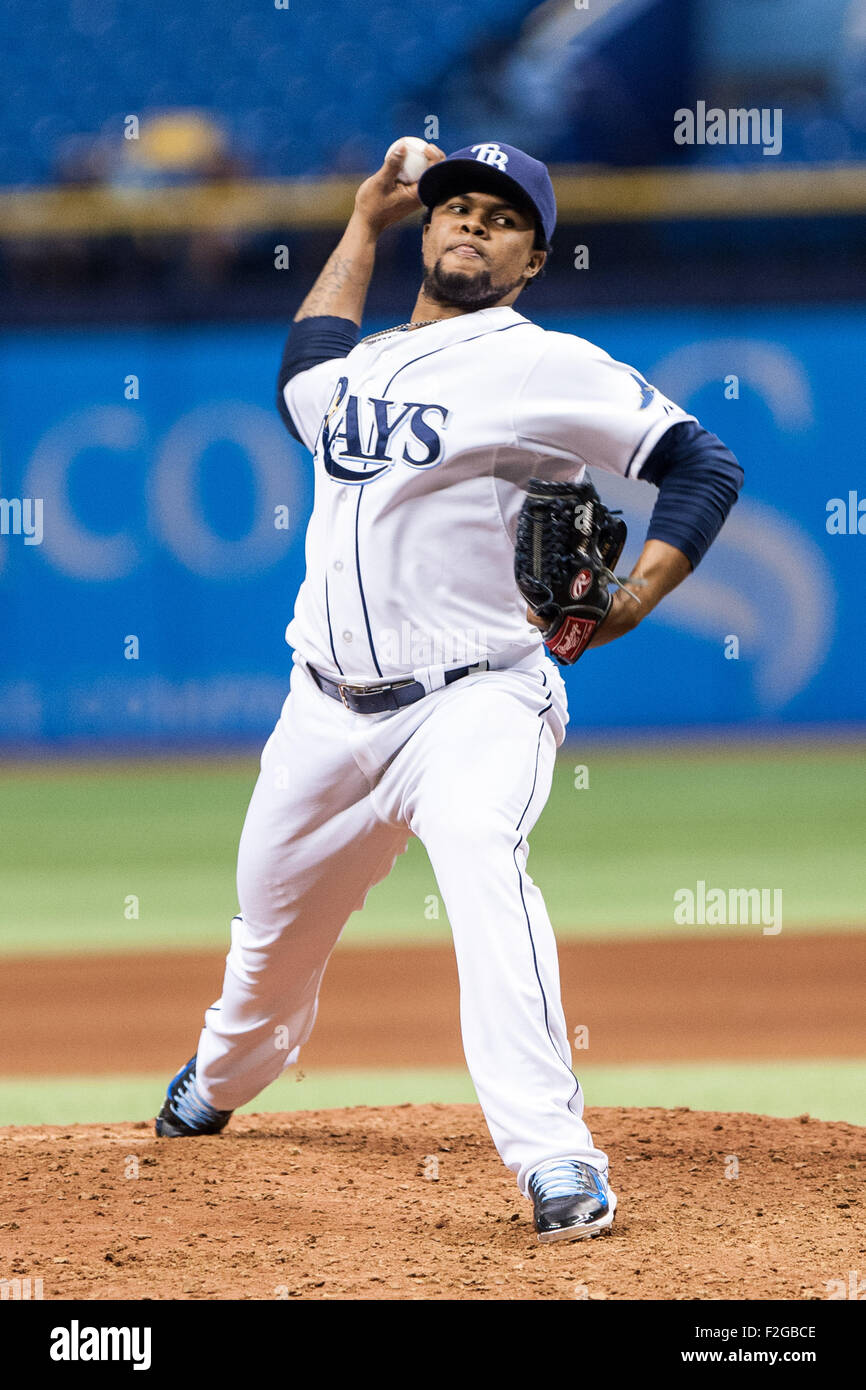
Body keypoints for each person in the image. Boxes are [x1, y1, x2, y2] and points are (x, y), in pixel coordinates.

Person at [155, 140, 743, 1243]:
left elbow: (700, 465)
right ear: (429, 233)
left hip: (474, 700)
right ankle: (224, 1076)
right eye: (456, 208)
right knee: (263, 962)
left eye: (502, 218)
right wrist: (359, 227)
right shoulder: (368, 363)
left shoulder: (543, 363)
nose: (472, 224)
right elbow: (302, 378)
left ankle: (556, 1158)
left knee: (479, 855)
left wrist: (633, 600)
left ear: (530, 260)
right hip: (322, 715)